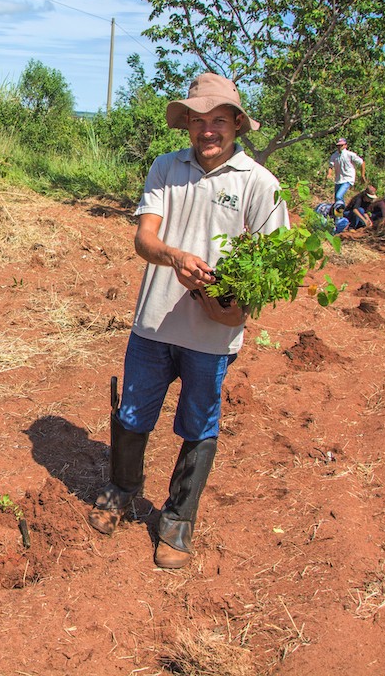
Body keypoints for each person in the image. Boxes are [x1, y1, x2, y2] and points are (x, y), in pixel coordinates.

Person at [86, 73, 288, 570]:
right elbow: (144, 240)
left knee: (199, 422)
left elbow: (272, 265)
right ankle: (122, 488)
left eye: (219, 120)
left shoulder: (259, 184)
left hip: (212, 334)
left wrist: (229, 297)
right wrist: (175, 258)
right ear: (188, 128)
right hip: (153, 324)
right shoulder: (165, 167)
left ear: (237, 125)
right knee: (133, 413)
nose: (208, 131)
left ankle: (178, 518)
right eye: (198, 121)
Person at [326, 138, 365, 203]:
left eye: (341, 145)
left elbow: (362, 162)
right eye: (338, 145)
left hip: (348, 178)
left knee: (339, 196)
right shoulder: (334, 156)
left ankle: (342, 210)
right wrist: (329, 174)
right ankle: (340, 211)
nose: (339, 147)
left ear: (345, 145)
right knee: (337, 199)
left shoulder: (350, 154)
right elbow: (331, 166)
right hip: (338, 180)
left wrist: (362, 175)